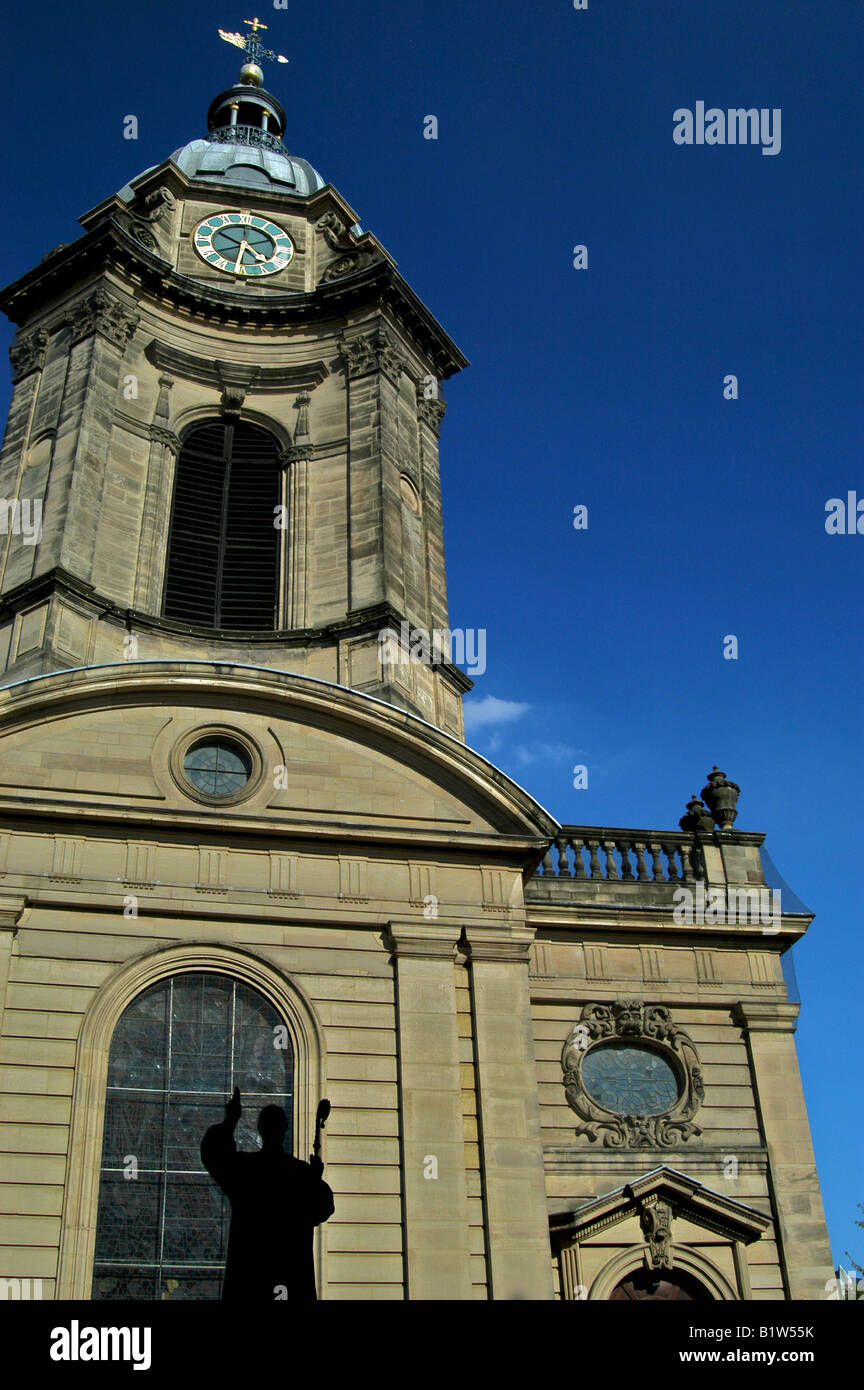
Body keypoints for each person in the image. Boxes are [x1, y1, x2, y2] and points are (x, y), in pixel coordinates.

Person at [201, 1087, 334, 1302]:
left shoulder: (245, 1169)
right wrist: (315, 1179)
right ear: (285, 1129)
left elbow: (213, 1155)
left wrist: (231, 1121)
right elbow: (321, 1209)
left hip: (249, 1280)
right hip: (290, 1279)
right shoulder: (299, 1174)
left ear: (261, 1129)